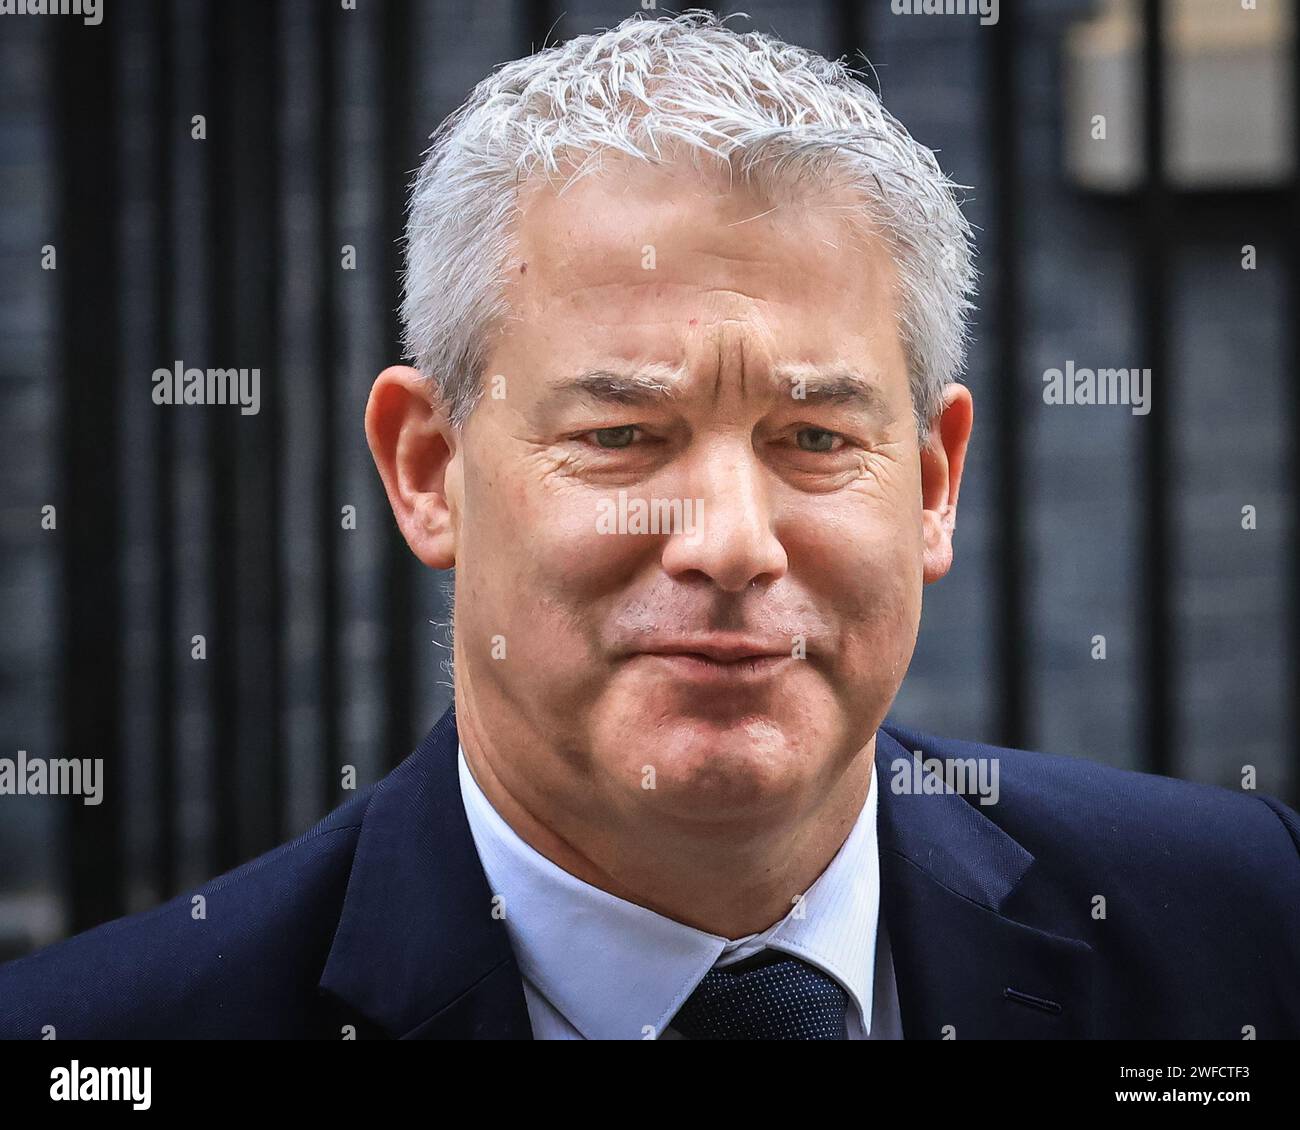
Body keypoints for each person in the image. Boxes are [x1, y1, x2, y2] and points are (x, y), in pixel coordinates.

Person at [2, 10, 1297, 1041]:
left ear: (934, 481)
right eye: (622, 437)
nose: (730, 540)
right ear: (426, 467)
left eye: (814, 439)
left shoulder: (1239, 925)